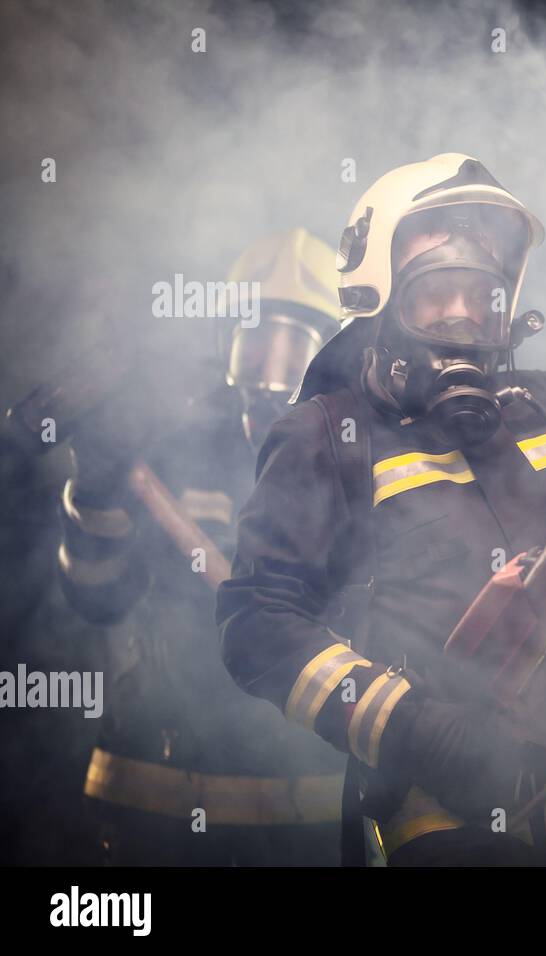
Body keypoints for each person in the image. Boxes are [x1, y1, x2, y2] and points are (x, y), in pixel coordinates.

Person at [216, 154, 546, 866]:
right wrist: (414, 730)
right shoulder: (325, 434)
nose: (463, 319)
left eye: (481, 295)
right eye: (435, 293)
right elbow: (257, 625)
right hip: (439, 828)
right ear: (378, 303)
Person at [59, 229, 347, 864]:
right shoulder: (174, 449)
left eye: (294, 352)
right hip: (151, 786)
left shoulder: (361, 469)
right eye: (256, 349)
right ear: (228, 349)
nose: (267, 397)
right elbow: (97, 597)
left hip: (304, 805)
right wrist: (96, 495)